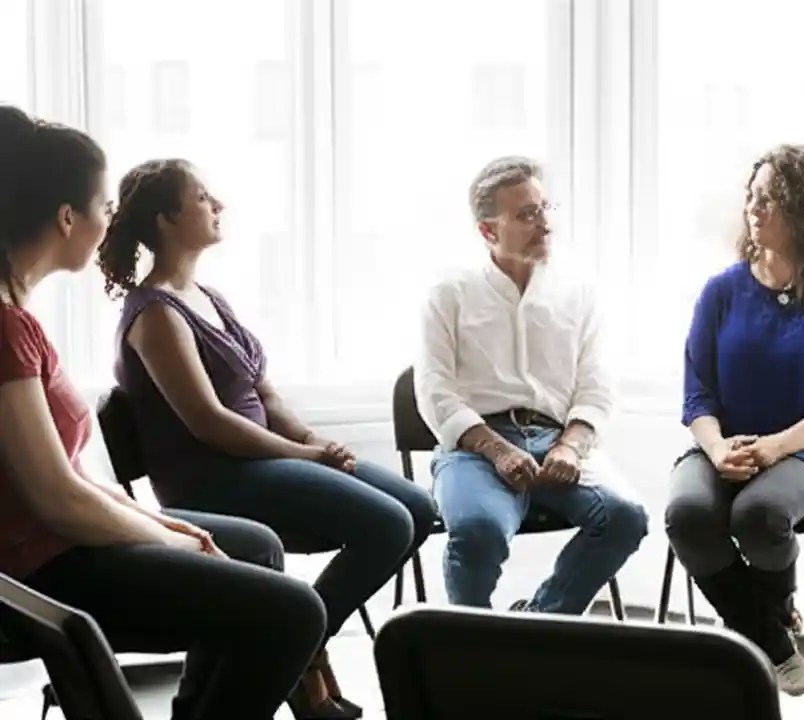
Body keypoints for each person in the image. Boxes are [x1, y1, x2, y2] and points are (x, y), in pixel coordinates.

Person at [0, 105, 327, 720]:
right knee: (295, 612)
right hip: (39, 575)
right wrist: (165, 537)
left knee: (255, 546)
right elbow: (56, 499)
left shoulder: (19, 317)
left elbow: (73, 478)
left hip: (60, 543)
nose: (109, 221)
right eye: (103, 207)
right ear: (67, 218)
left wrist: (167, 527)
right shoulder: (5, 330)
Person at [96, 158, 440, 719]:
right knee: (388, 523)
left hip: (261, 462)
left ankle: (297, 642)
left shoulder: (207, 296)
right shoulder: (155, 314)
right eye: (203, 197)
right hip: (216, 478)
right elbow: (209, 422)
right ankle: (293, 642)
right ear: (164, 219)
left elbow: (266, 395)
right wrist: (306, 455)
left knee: (417, 509)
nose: (218, 205)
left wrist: (314, 440)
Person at [663, 145, 804, 696]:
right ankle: (773, 640)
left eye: (771, 199)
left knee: (759, 514)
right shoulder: (722, 290)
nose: (756, 209)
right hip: (725, 443)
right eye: (752, 197)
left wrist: (774, 449)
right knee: (686, 515)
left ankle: (759, 631)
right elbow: (697, 397)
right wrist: (716, 450)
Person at [416, 156, 648, 615]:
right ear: (487, 231)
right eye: (527, 214)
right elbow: (434, 390)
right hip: (474, 448)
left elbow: (597, 386)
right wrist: (496, 449)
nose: (545, 224)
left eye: (546, 208)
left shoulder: (579, 290)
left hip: (558, 441)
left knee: (625, 517)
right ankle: (472, 649)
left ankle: (538, 626)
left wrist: (570, 447)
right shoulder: (450, 292)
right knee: (478, 529)